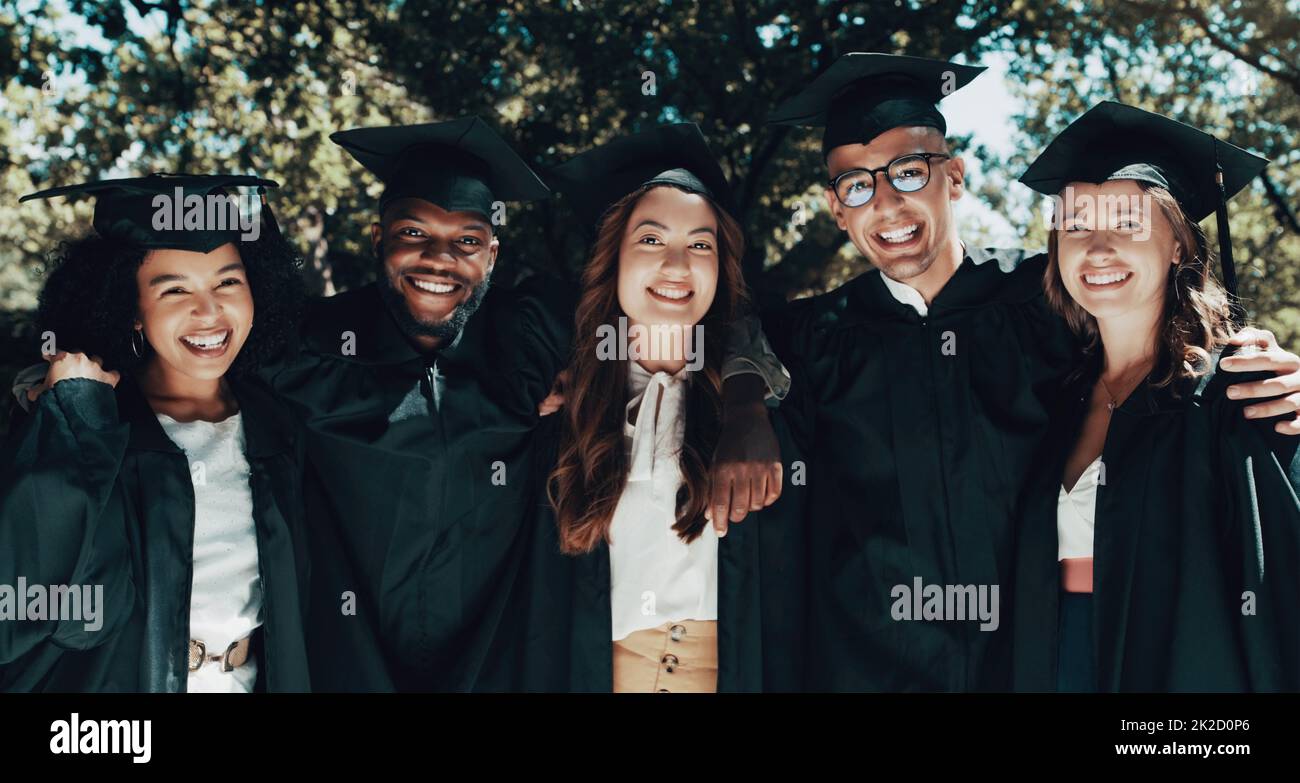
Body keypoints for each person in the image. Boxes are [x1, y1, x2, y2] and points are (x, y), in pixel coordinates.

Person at [762, 52, 1300, 691]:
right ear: (835, 206)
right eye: (857, 186)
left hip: (1056, 662)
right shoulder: (807, 340)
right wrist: (743, 393)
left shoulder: (1045, 305)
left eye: (909, 172)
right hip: (877, 669)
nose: (886, 202)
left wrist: (1265, 364)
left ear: (954, 177)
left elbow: (1166, 335)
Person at [262, 117, 790, 691]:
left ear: (491, 254)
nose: (440, 259)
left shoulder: (540, 347)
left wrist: (745, 401)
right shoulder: (323, 347)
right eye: (650, 239)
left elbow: (718, 313)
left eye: (466, 240)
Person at [1011, 102, 1300, 692]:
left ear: (1178, 246)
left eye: (1127, 224)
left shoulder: (1237, 396)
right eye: (1076, 226)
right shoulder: (1053, 400)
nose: (1097, 248)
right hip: (1055, 659)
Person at [515, 124, 803, 692]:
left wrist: (747, 403)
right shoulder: (557, 406)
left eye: (701, 244)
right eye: (650, 239)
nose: (677, 265)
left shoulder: (769, 402)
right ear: (612, 259)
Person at [0, 174, 310, 692]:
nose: (209, 312)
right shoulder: (95, 425)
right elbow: (53, 608)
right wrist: (76, 417)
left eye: (228, 282)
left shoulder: (277, 423)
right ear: (132, 311)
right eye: (174, 290)